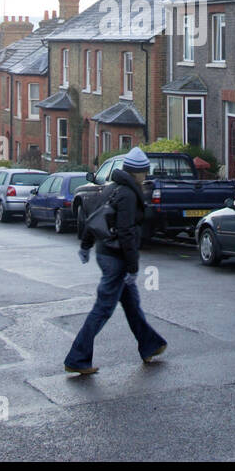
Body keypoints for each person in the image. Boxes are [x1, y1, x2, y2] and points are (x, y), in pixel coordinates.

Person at [64, 147, 167, 374]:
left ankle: (150, 344)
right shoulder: (129, 194)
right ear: (137, 172)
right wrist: (132, 267)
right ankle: (77, 358)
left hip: (105, 252)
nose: (146, 175)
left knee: (131, 305)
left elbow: (94, 218)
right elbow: (126, 231)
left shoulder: (112, 188)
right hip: (116, 258)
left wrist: (86, 245)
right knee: (103, 309)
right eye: (145, 171)